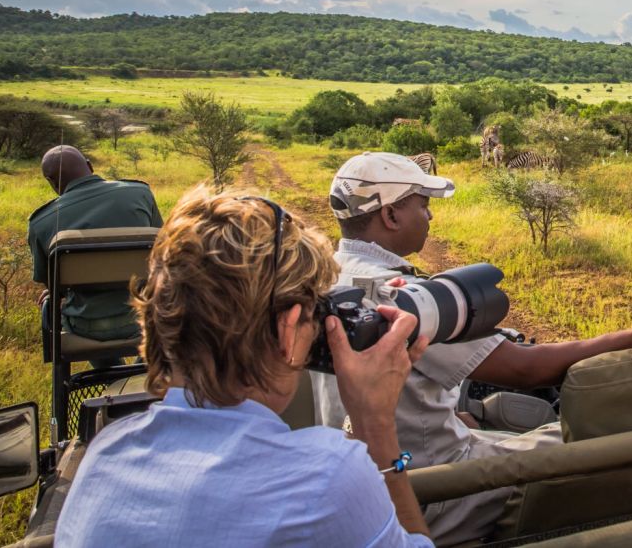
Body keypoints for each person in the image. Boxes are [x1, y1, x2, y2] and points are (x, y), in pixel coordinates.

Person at [314, 152, 632, 545]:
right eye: (423, 206)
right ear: (390, 216)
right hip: (430, 489)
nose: (430, 218)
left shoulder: (328, 280)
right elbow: (527, 369)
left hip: (364, 480)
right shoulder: (402, 298)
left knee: (498, 433)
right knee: (580, 447)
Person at [56, 187, 434, 547]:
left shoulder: (104, 455)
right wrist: (375, 426)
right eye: (313, 316)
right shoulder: (327, 477)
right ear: (288, 331)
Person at [28, 146, 162, 365]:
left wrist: (54, 295)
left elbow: (54, 287)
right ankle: (139, 374)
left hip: (86, 327)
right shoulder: (140, 193)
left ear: (51, 181)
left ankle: (111, 381)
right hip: (147, 316)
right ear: (89, 166)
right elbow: (163, 254)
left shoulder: (41, 222)